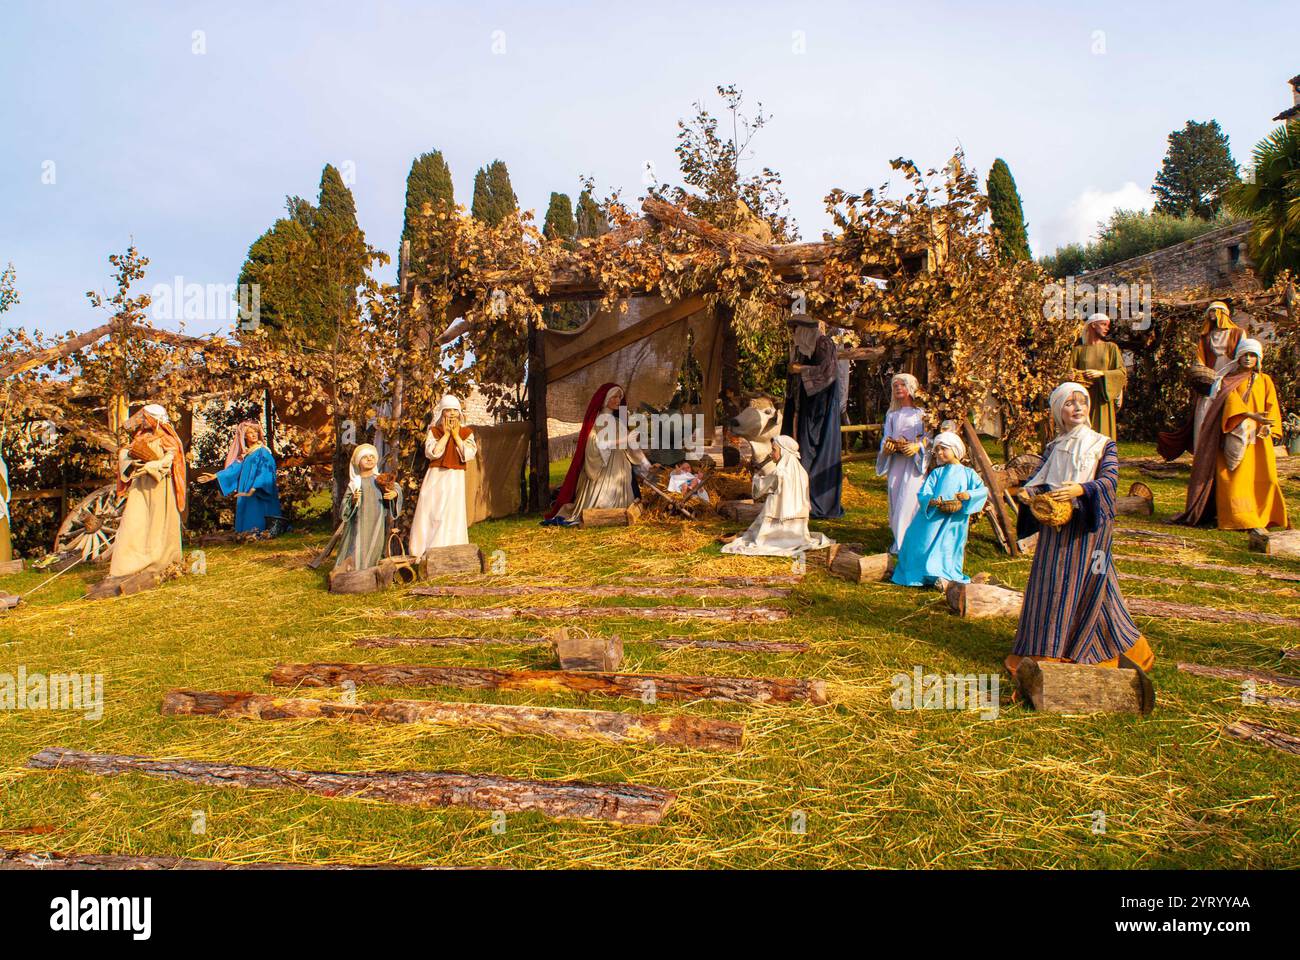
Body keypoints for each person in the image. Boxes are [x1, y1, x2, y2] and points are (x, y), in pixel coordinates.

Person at [1006, 383, 1154, 672]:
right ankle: (1047, 648)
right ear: (1058, 411)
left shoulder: (1102, 443)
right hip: (1055, 529)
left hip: (1087, 529)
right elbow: (1040, 478)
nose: (1077, 408)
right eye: (1069, 403)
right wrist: (1029, 495)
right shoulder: (1054, 447)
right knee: (1051, 585)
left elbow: (1110, 480)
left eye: (1082, 402)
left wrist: (1081, 489)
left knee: (1089, 583)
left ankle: (1101, 646)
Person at [1173, 339, 1288, 531]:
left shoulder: (1265, 380)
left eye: (1253, 355)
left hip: (1258, 438)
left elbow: (1271, 405)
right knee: (1234, 479)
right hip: (1232, 434)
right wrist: (1249, 415)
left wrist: (1270, 425)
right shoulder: (1226, 380)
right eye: (1245, 355)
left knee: (1265, 478)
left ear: (1259, 359)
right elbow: (1227, 404)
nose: (1248, 359)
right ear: (1238, 356)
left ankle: (1264, 516)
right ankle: (1238, 519)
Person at [891, 431, 987, 588]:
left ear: (954, 449)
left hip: (954, 520)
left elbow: (982, 491)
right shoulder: (937, 473)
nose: (940, 453)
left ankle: (942, 574)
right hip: (933, 518)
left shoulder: (968, 473)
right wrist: (931, 501)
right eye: (937, 450)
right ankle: (921, 572)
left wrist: (968, 495)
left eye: (943, 449)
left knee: (948, 546)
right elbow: (924, 492)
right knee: (922, 541)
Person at [544, 383, 649, 526]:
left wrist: (647, 466)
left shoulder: (618, 422)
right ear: (606, 398)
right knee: (600, 502)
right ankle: (600, 513)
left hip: (620, 467)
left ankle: (621, 512)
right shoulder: (597, 421)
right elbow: (594, 443)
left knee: (624, 500)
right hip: (602, 467)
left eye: (620, 397)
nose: (618, 400)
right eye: (614, 397)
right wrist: (622, 440)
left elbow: (631, 448)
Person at [721, 435, 833, 557]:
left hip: (779, 525)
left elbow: (760, 488)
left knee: (763, 523)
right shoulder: (802, 472)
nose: (771, 453)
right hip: (798, 526)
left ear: (784, 451)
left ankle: (776, 538)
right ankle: (793, 538)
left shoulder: (779, 473)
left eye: (774, 449)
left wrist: (756, 476)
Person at [109, 403, 186, 578]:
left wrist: (153, 465)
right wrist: (130, 461)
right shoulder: (140, 437)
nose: (143, 421)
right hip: (140, 486)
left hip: (159, 486)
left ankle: (160, 561)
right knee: (134, 522)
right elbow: (126, 453)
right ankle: (127, 565)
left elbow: (170, 459)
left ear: (155, 419)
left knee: (158, 523)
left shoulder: (168, 438)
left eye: (146, 417)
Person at [781, 316, 843, 519]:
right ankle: (796, 498)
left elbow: (829, 372)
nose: (793, 335)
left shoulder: (824, 344)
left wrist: (801, 370)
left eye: (796, 329)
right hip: (802, 406)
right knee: (798, 449)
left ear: (805, 330)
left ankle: (816, 502)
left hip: (819, 410)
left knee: (814, 450)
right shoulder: (801, 348)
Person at [409, 396, 477, 554]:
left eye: (455, 410)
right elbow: (433, 453)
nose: (452, 413)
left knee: (450, 511)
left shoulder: (466, 432)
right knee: (432, 509)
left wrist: (456, 436)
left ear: (459, 413)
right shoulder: (434, 431)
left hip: (454, 477)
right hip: (436, 475)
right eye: (448, 410)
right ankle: (424, 548)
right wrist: (446, 435)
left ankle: (449, 548)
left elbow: (469, 453)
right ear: (442, 412)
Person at [196, 421, 281, 534]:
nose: (254, 434)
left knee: (258, 511)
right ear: (244, 436)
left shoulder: (263, 452)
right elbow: (234, 469)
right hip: (246, 489)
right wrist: (215, 476)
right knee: (249, 511)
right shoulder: (247, 455)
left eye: (255, 431)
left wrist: (255, 487)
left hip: (258, 490)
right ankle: (248, 533)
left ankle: (261, 531)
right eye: (250, 432)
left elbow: (266, 471)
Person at [876, 373, 928, 554]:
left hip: (914, 465)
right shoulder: (892, 415)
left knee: (909, 500)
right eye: (895, 386)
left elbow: (928, 439)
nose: (898, 388)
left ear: (911, 387)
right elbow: (886, 438)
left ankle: (909, 542)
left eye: (902, 385)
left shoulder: (922, 414)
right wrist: (887, 447)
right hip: (896, 464)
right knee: (896, 498)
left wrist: (917, 446)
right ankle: (898, 542)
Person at [335, 443, 402, 572]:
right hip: (359, 522)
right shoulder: (355, 484)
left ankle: (373, 570)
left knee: (376, 545)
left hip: (377, 520)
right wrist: (353, 500)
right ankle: (355, 570)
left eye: (372, 456)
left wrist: (394, 494)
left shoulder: (381, 479)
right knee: (357, 544)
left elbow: (396, 488)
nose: (369, 459)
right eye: (365, 457)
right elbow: (345, 505)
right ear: (357, 462)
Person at [1070, 313, 1126, 439]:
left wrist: (1101, 373)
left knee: (1102, 435)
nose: (1107, 328)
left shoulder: (1111, 347)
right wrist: (1073, 376)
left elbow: (1121, 372)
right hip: (1083, 400)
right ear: (1093, 325)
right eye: (1103, 324)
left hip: (1102, 399)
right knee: (1082, 435)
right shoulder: (1078, 350)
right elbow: (1069, 373)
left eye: (1108, 325)